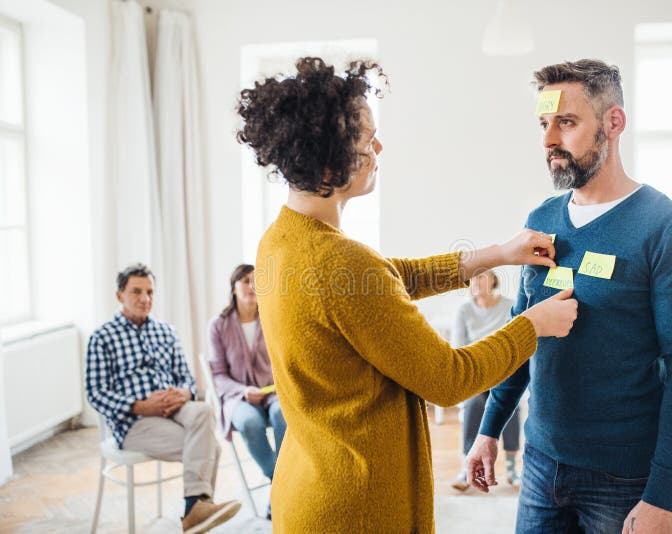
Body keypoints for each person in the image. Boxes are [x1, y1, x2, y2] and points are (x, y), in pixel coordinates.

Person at [236, 57, 579, 533]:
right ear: (330, 160)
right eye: (367, 140)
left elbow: (387, 278)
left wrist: (499, 254)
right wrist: (532, 327)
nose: (379, 147)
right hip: (356, 507)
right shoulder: (338, 260)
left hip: (307, 489)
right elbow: (448, 379)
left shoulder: (279, 241)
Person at [467, 59, 672, 534]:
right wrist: (489, 429)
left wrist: (664, 498)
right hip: (540, 465)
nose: (548, 140)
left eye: (566, 122)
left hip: (623, 479)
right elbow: (522, 329)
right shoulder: (541, 219)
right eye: (543, 123)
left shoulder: (669, 230)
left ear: (613, 123)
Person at [85, 263, 241, 533]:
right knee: (210, 449)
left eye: (149, 292)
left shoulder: (165, 331)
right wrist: (140, 406)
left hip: (175, 408)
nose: (145, 299)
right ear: (119, 295)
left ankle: (194, 510)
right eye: (136, 292)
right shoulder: (102, 337)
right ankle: (195, 509)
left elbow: (187, 379)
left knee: (204, 410)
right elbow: (96, 393)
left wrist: (184, 393)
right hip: (134, 421)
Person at [208, 263, 286, 519]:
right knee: (250, 422)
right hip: (237, 396)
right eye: (245, 281)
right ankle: (280, 482)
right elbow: (218, 375)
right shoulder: (218, 326)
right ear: (233, 288)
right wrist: (243, 391)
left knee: (282, 415)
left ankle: (280, 487)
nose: (252, 286)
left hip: (272, 391)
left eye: (256, 281)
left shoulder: (272, 319)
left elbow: (283, 360)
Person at [450, 270, 521, 491]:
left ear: (493, 280)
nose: (476, 282)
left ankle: (511, 468)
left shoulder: (510, 306)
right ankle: (466, 468)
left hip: (503, 374)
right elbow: (458, 349)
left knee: (510, 405)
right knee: (474, 405)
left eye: (481, 277)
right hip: (477, 377)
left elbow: (517, 344)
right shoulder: (464, 310)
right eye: (473, 278)